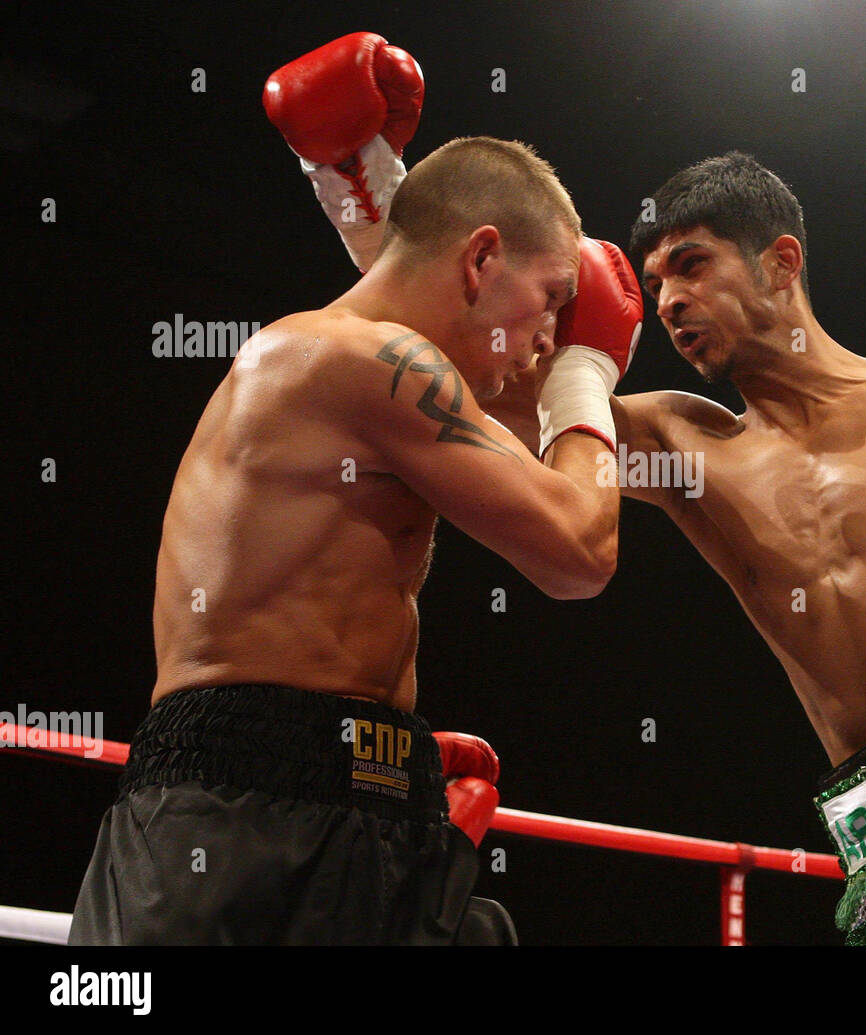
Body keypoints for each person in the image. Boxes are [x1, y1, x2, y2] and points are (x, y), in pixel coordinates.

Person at [281, 40, 866, 946]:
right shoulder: (689, 447)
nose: (670, 301)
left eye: (693, 264)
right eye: (653, 283)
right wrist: (365, 195)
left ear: (781, 261)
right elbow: (490, 386)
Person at [68, 35, 642, 945]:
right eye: (548, 299)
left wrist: (376, 754)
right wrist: (584, 374)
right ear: (482, 258)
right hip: (230, 824)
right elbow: (580, 550)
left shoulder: (380, 367)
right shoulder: (365, 361)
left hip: (337, 808)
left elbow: (496, 401)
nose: (545, 336)